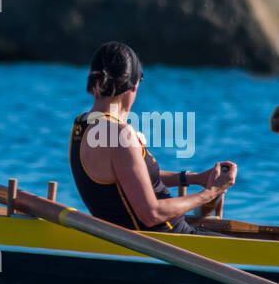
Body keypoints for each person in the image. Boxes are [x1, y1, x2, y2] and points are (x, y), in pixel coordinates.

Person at [69, 42, 236, 234]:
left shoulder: (81, 125)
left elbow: (128, 177)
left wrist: (192, 178)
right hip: (168, 242)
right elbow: (151, 214)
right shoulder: (119, 135)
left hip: (131, 239)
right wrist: (211, 193)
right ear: (134, 84)